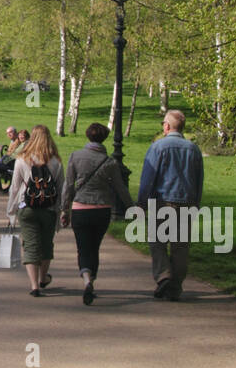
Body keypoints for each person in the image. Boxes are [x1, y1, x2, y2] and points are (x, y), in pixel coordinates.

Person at [62, 123, 133, 305]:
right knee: (95, 247)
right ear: (104, 138)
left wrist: (64, 209)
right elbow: (120, 188)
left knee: (83, 247)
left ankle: (86, 279)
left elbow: (69, 185)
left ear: (88, 136)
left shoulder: (76, 156)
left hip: (80, 208)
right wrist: (132, 208)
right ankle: (91, 280)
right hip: (102, 209)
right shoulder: (110, 162)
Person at [138, 109, 204, 301]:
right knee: (181, 247)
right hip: (187, 202)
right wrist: (196, 203)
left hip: (162, 201)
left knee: (157, 242)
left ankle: (163, 275)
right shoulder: (193, 149)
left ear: (167, 126)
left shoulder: (158, 147)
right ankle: (175, 287)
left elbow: (148, 178)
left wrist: (142, 202)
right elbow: (199, 180)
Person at [5, 124, 64, 296]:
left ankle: (34, 286)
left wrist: (11, 210)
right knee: (46, 244)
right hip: (49, 208)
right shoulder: (56, 161)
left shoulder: (22, 159)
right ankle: (43, 278)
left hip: (27, 206)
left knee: (30, 245)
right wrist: (61, 210)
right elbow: (61, 188)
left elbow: (14, 187)